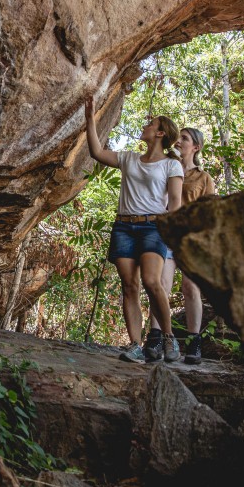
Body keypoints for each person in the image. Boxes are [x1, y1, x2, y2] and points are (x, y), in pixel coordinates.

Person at [83, 95, 184, 363]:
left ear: (160, 133)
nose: (145, 126)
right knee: (129, 286)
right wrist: (89, 119)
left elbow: (174, 201)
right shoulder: (129, 158)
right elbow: (96, 152)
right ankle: (135, 344)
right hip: (124, 227)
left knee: (152, 282)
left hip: (154, 227)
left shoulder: (171, 164)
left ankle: (168, 337)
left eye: (151, 124)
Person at [157, 127, 216, 364]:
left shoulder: (203, 177)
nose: (179, 141)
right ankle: (160, 339)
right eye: (178, 137)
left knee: (191, 289)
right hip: (165, 236)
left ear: (196, 147)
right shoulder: (166, 167)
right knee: (161, 286)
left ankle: (194, 343)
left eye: (185, 139)